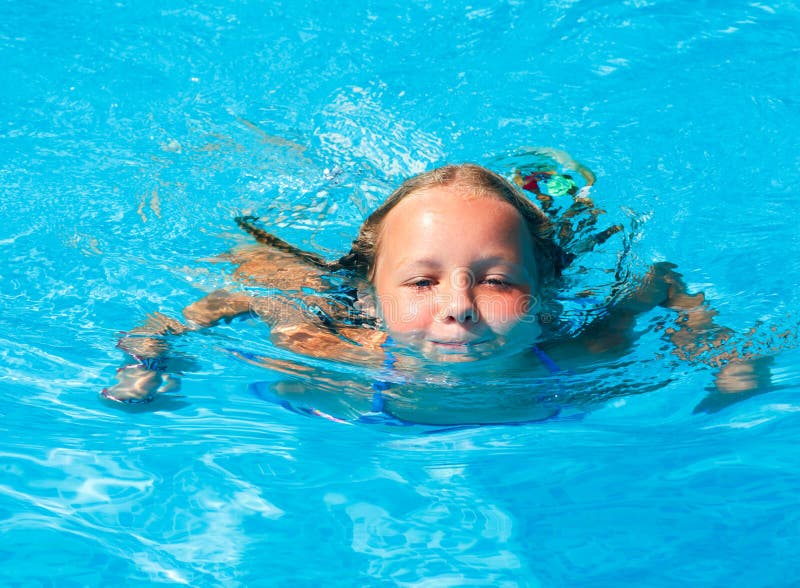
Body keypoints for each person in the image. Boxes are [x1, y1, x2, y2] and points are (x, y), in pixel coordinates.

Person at [103, 149, 770, 421]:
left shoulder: (583, 353)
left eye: (497, 281)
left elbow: (657, 281)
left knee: (564, 225)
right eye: (423, 281)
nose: (458, 308)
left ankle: (548, 193)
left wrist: (718, 346)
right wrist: (150, 350)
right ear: (372, 299)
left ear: (543, 295)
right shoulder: (330, 351)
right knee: (274, 263)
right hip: (336, 294)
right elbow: (246, 295)